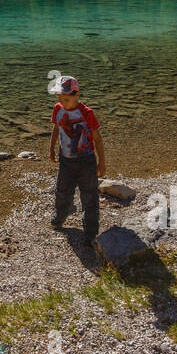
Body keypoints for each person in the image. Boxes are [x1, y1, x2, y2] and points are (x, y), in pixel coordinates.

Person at [49, 75, 107, 248]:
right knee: (62, 190)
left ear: (77, 95)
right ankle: (61, 214)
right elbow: (56, 128)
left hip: (86, 161)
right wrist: (51, 148)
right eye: (59, 98)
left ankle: (90, 231)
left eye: (66, 99)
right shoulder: (57, 109)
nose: (62, 102)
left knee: (89, 196)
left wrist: (101, 162)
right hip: (65, 160)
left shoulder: (87, 113)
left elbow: (97, 139)